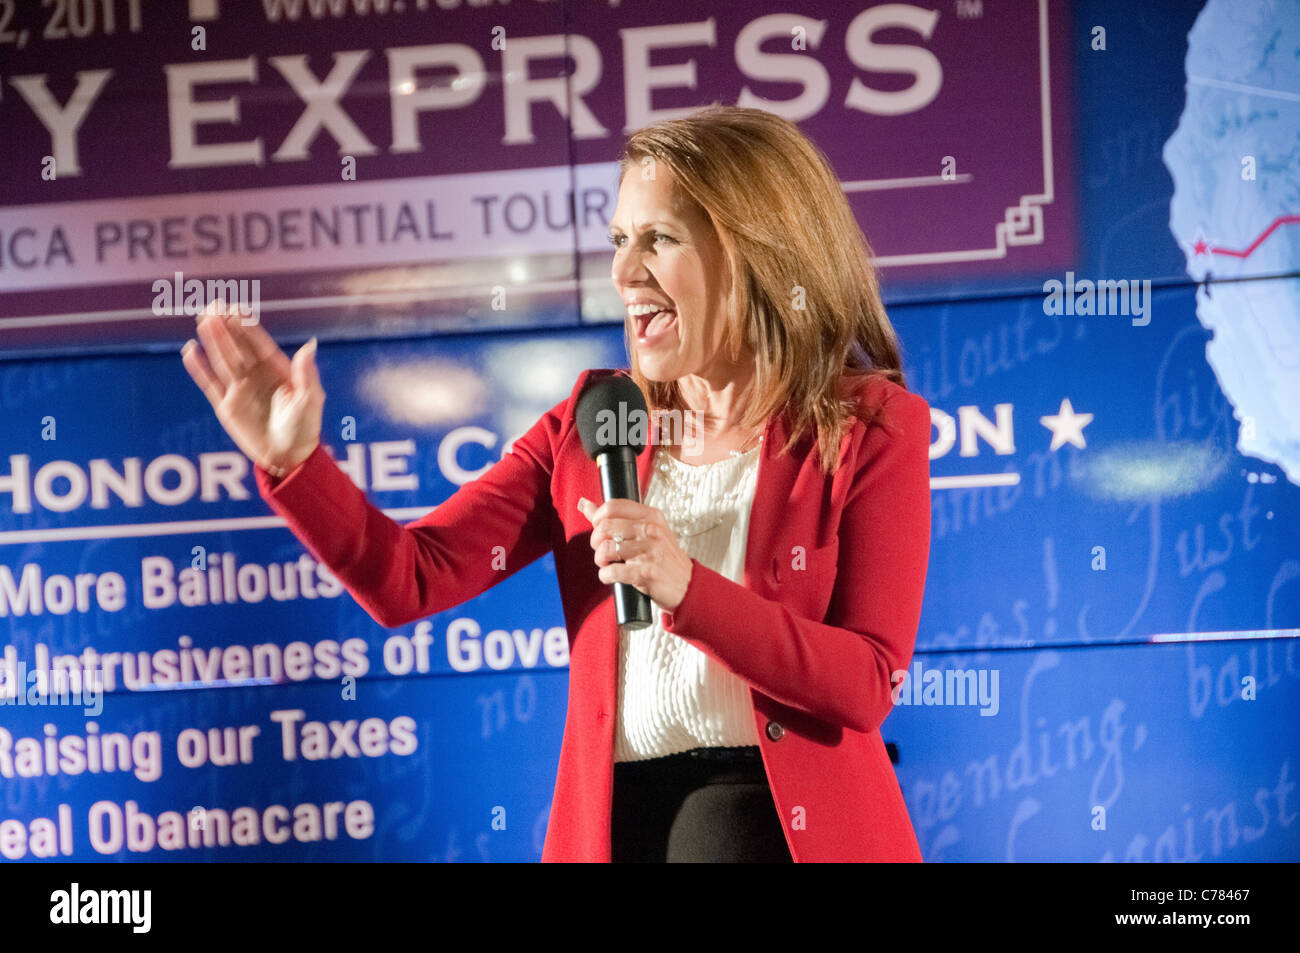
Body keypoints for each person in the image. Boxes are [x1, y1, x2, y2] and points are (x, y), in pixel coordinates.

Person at [181, 104, 931, 863]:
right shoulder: (591, 421)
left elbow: (865, 680)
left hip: (779, 831)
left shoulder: (869, 428)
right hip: (619, 827)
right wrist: (297, 464)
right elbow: (409, 578)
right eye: (618, 241)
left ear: (755, 253)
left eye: (657, 239)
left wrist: (687, 587)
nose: (623, 271)